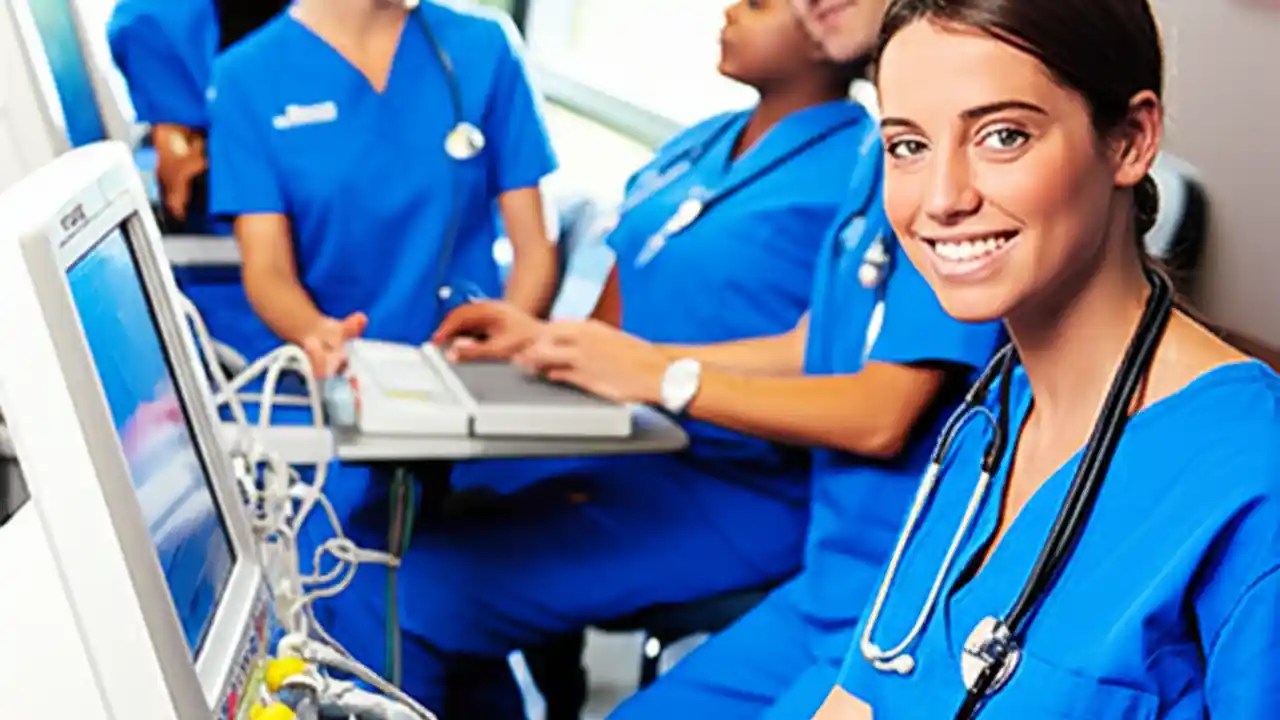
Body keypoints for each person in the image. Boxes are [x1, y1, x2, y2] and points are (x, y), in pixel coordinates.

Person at [431, 3, 1005, 717]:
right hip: (831, 580)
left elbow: (884, 414)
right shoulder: (879, 163)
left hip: (874, 574)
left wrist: (665, 377)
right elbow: (808, 345)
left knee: (427, 589)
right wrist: (599, 353)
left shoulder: (951, 194)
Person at [814, 1, 1280, 718]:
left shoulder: (1252, 479)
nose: (942, 199)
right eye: (908, 146)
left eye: (1003, 136)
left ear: (1131, 140)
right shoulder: (984, 426)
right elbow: (864, 697)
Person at [207, 0, 559, 368]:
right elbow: (268, 269)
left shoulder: (485, 47)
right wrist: (319, 335)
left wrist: (502, 348)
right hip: (335, 374)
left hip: (469, 366)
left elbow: (535, 248)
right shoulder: (246, 77)